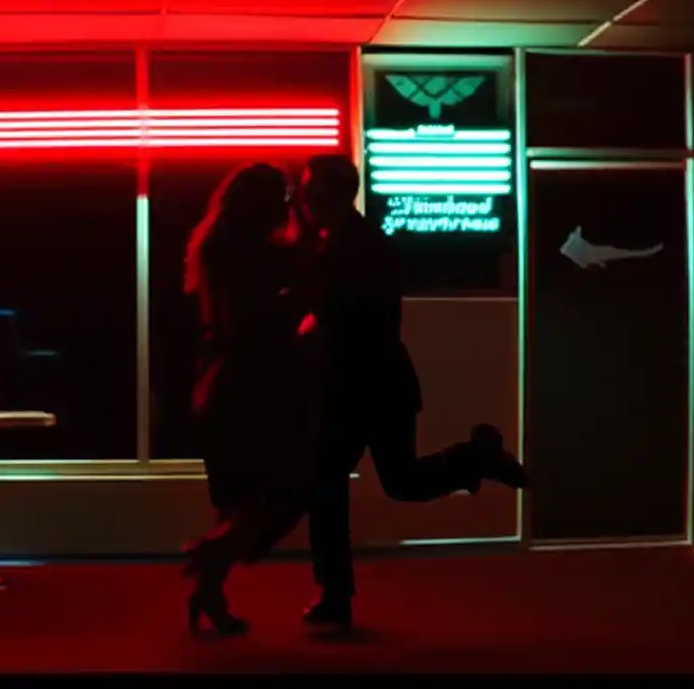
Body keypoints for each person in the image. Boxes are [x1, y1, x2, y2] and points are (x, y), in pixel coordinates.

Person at [296, 154, 529, 630]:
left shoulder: (351, 248)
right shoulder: (352, 242)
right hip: (379, 385)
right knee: (396, 482)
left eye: (310, 192)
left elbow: (349, 319)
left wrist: (309, 321)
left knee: (336, 483)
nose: (304, 202)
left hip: (364, 385)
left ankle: (336, 596)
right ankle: (477, 457)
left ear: (335, 195)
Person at [180, 163, 322, 638]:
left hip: (217, 384)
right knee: (286, 488)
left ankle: (209, 596)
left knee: (236, 496)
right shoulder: (269, 256)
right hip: (259, 384)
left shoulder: (212, 248)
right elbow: (301, 301)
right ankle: (211, 553)